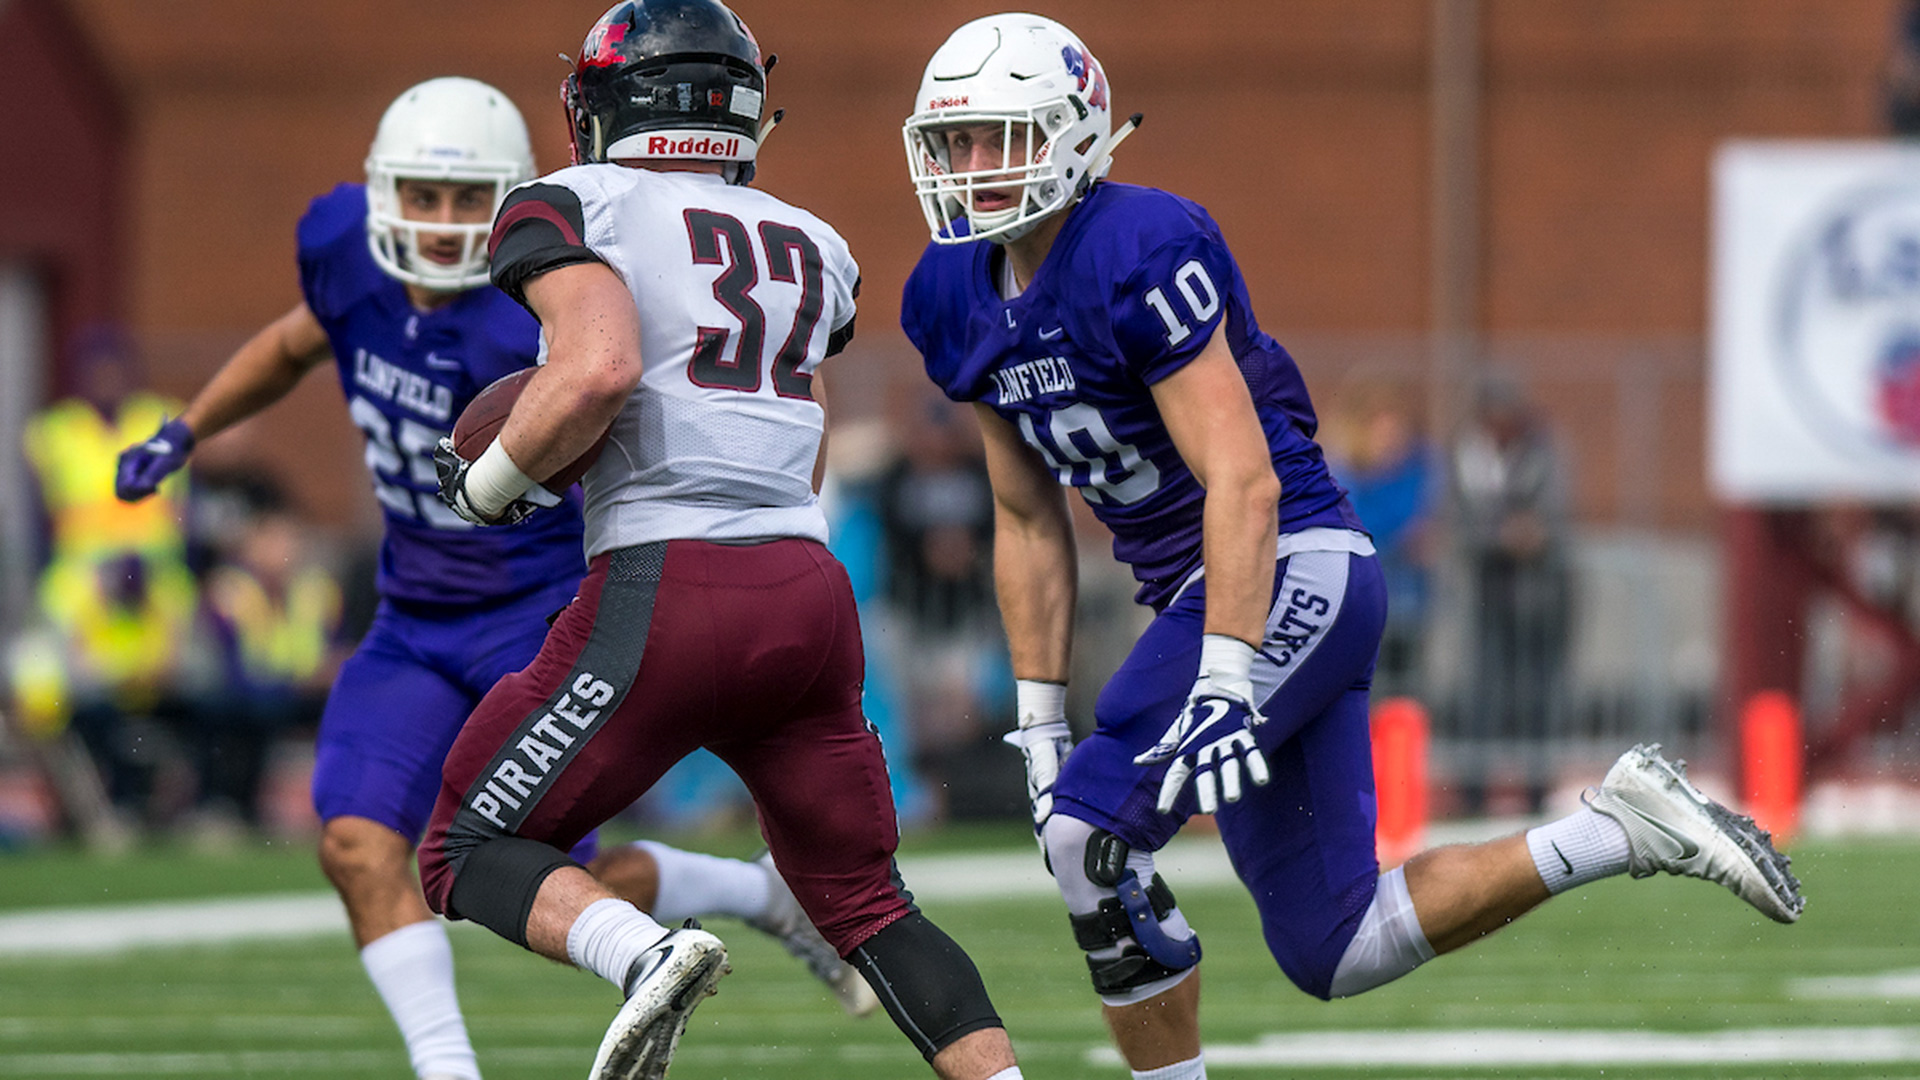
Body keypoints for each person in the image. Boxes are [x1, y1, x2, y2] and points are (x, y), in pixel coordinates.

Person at [897, 15, 1806, 1080]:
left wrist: (1228, 672)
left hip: (1289, 566)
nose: (972, 170)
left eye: (998, 139)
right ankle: (1622, 829)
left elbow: (1244, 481)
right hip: (1209, 595)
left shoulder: (1134, 246)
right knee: (1338, 946)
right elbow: (1023, 519)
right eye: (954, 144)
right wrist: (1041, 718)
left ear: (1073, 133)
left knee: (1088, 840)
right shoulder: (950, 294)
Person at [114, 74, 870, 1080]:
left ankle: (752, 893)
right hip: (415, 614)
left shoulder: (542, 303)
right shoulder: (345, 249)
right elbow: (300, 339)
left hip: (539, 607)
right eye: (421, 194)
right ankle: (448, 1070)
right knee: (353, 845)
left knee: (542, 875)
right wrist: (188, 425)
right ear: (383, 190)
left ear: (513, 197)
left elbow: (637, 393)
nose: (440, 222)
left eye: (468, 199)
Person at [416, 5, 1024, 1080]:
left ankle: (645, 952)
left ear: (603, 102)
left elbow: (598, 367)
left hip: (668, 582)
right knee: (871, 904)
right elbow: (811, 427)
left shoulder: (572, 202)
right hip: (806, 585)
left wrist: (489, 484)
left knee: (464, 846)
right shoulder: (807, 238)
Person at [1447, 376, 1572, 814]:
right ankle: (1474, 792)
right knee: (1484, 691)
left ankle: (1536, 790)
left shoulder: (1543, 451)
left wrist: (1529, 533)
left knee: (1536, 693)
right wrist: (1504, 536)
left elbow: (1553, 517)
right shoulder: (1465, 456)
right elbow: (1458, 522)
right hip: (1488, 594)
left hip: (1540, 595)